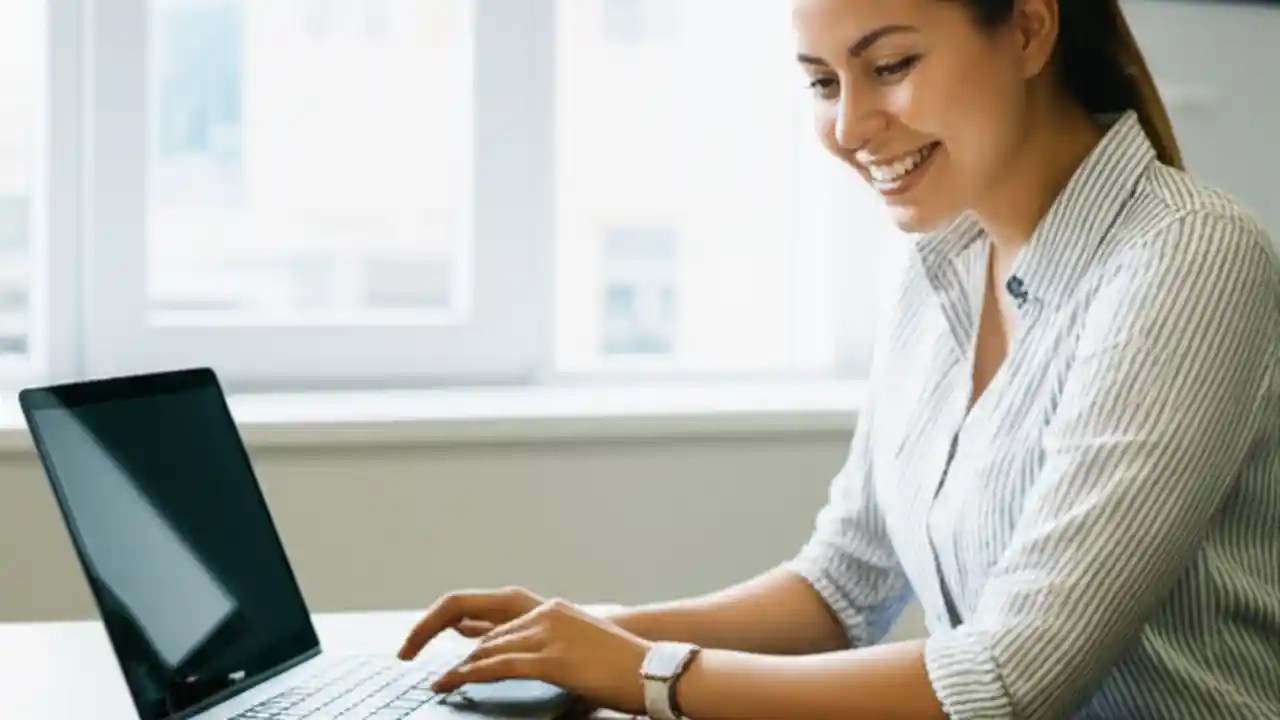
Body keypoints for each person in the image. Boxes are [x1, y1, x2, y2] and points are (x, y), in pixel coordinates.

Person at [398, 1, 1280, 717]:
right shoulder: (944, 259)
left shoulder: (1190, 258)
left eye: (890, 66)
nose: (851, 126)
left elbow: (1010, 678)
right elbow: (839, 589)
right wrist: (586, 637)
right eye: (823, 82)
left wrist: (643, 673)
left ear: (1027, 28)